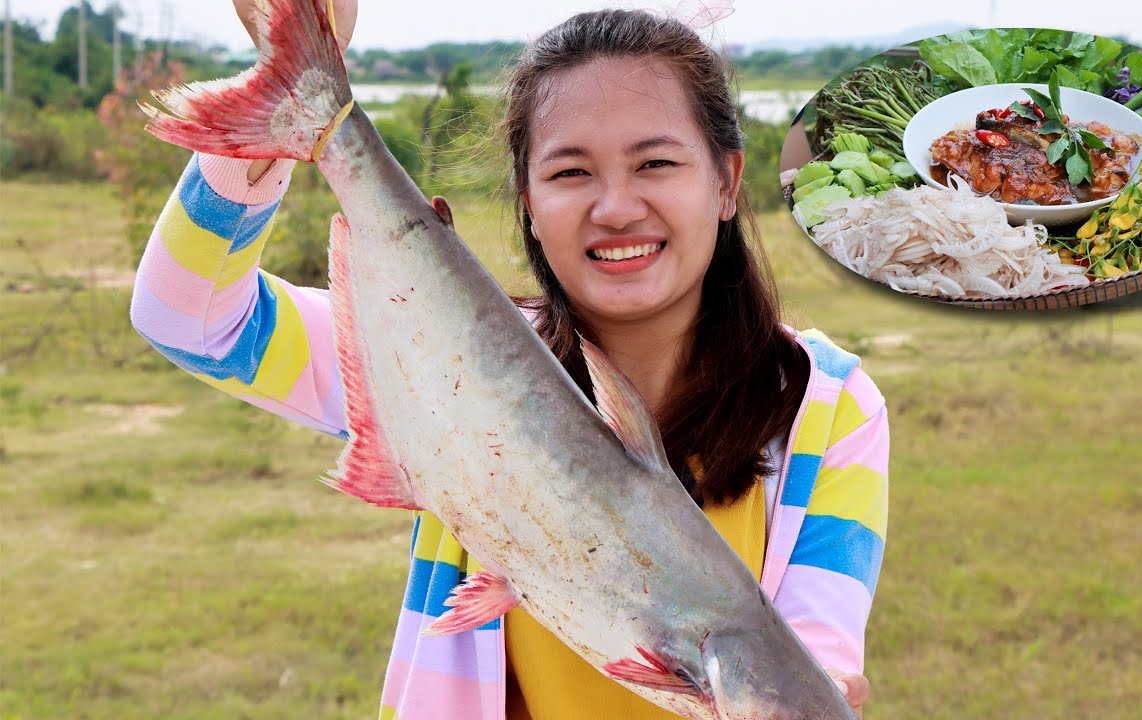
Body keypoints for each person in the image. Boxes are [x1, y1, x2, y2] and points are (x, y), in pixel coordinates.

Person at [129, 1, 889, 718]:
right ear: (527, 198)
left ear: (725, 182)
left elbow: (810, 656)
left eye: (656, 164)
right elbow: (186, 317)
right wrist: (279, 127)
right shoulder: (435, 350)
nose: (616, 206)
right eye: (569, 172)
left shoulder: (826, 407)